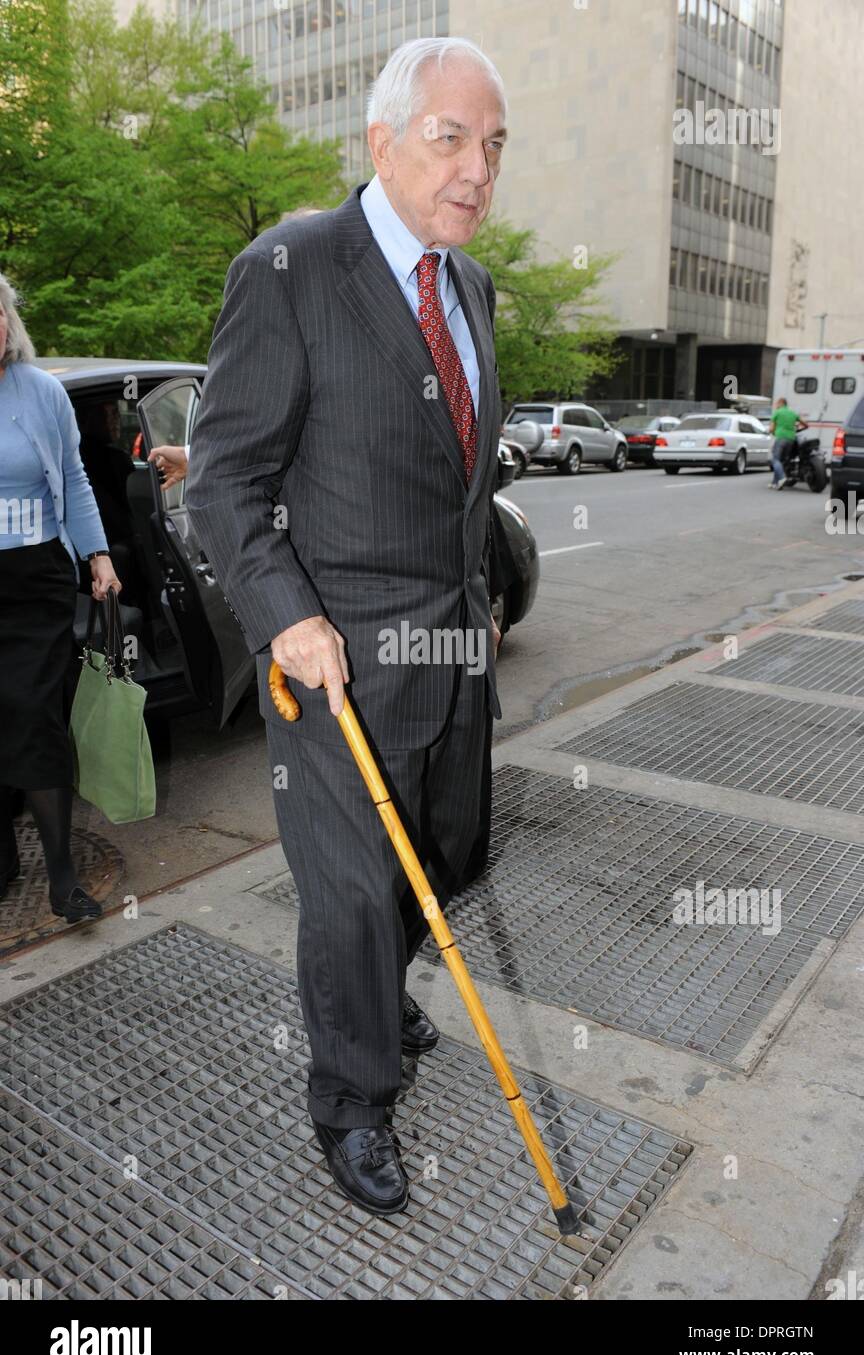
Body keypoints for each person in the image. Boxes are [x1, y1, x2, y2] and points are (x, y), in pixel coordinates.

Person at [183, 36, 507, 1215]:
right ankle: (353, 1101)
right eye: (450, 138)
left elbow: (459, 482)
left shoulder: (471, 286)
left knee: (446, 858)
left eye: (494, 145)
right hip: (335, 667)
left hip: (452, 657)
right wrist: (286, 619)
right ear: (382, 140)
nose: (478, 168)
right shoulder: (291, 269)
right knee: (354, 894)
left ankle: (378, 987)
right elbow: (221, 479)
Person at [0, 273, 121, 922]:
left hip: (36, 578)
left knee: (34, 713)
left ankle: (63, 879)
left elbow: (73, 477)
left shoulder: (41, 391)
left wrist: (97, 554)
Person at [768, 396, 806, 490]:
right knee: (781, 461)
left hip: (781, 438)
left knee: (775, 460)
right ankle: (775, 483)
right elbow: (805, 424)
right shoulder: (792, 413)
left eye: (777, 403)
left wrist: (774, 432)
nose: (776, 405)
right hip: (791, 439)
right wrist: (798, 428)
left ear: (781, 403)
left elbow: (771, 429)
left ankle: (782, 478)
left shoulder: (778, 412)